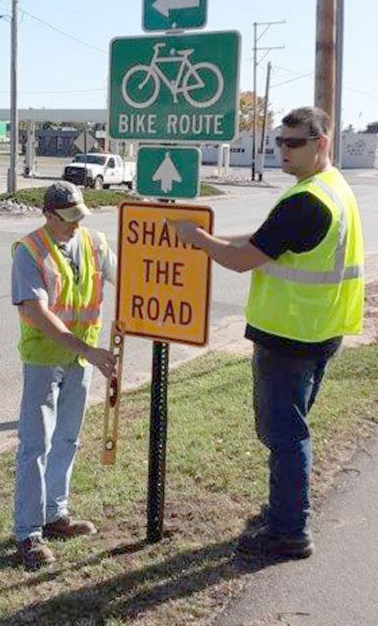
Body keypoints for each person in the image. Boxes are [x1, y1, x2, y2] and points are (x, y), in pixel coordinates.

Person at [171, 107, 364, 561]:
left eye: (293, 143)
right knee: (290, 431)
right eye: (279, 142)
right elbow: (265, 240)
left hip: (289, 336)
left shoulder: (307, 201)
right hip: (319, 331)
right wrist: (209, 233)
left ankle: (289, 531)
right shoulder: (330, 189)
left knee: (284, 435)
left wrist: (196, 239)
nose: (283, 150)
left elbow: (243, 259)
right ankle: (285, 509)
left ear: (321, 144)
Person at [11, 181, 117, 570]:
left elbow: (129, 277)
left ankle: (56, 515)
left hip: (79, 361)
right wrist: (89, 350)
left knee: (67, 439)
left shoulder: (94, 242)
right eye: (68, 218)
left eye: (80, 216)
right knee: (35, 445)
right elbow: (38, 313)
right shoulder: (29, 251)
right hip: (45, 359)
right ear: (49, 215)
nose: (76, 224)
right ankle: (28, 533)